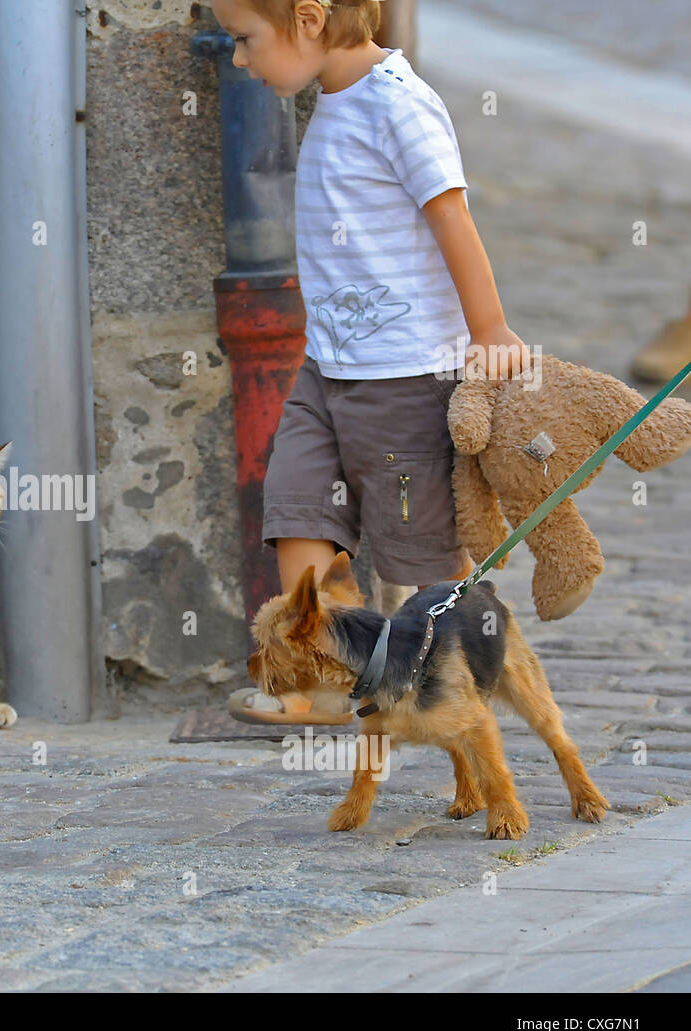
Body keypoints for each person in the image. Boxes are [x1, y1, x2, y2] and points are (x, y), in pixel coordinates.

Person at [213, 0, 532, 715]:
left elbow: (451, 215)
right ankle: (320, 680)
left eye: (244, 40)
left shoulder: (399, 106)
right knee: (296, 501)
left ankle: (465, 685)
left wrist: (491, 329)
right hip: (327, 369)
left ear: (308, 19)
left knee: (422, 556)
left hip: (405, 374)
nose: (237, 59)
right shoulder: (335, 98)